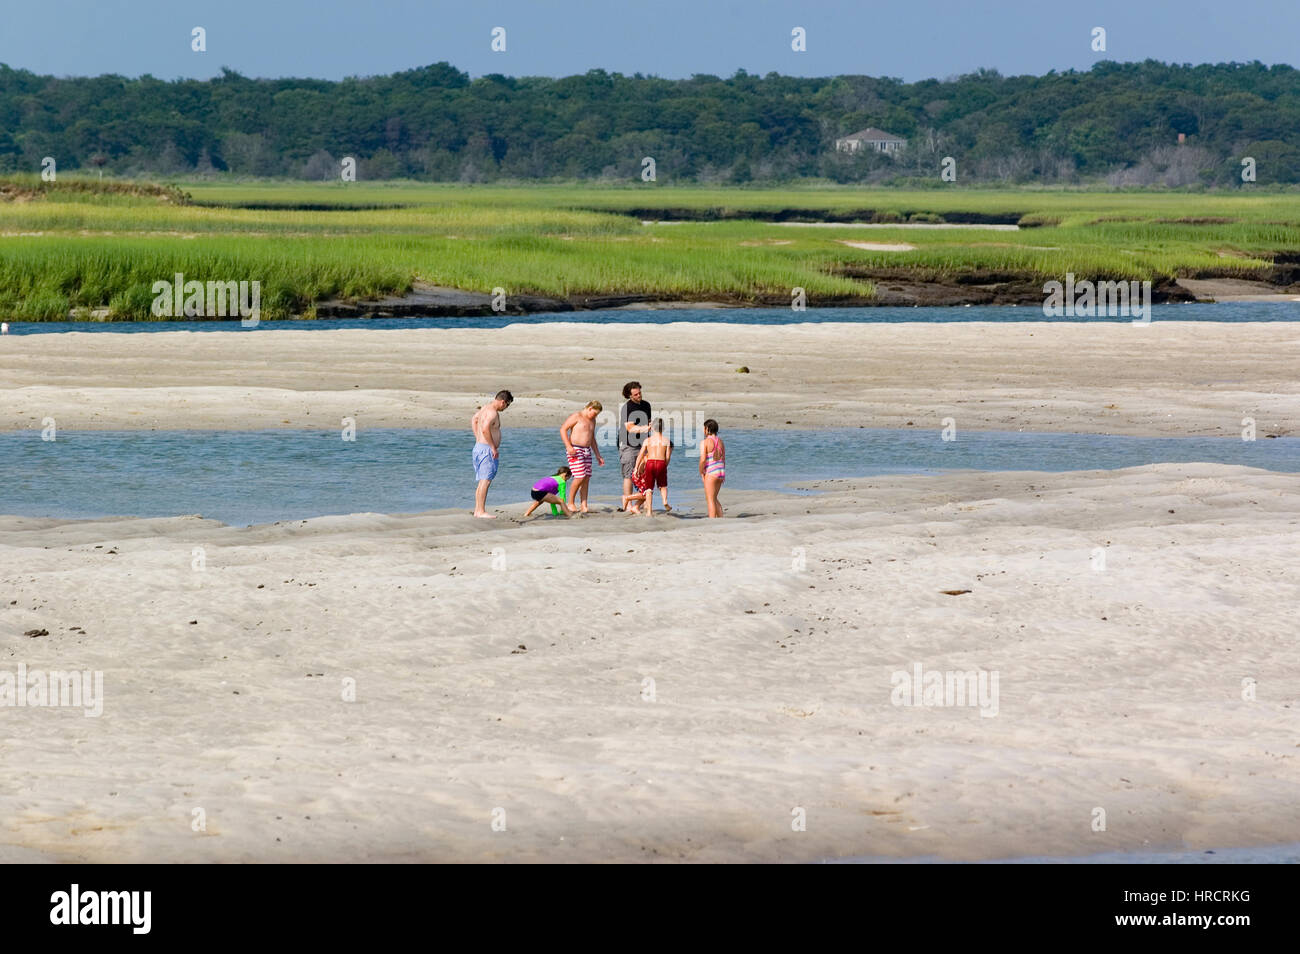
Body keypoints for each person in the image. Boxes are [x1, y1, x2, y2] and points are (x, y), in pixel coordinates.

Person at [470, 390, 512, 518]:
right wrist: (493, 447)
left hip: (479, 447)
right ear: (502, 402)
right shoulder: (492, 413)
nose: (506, 408)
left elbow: (474, 419)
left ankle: (478, 510)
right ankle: (481, 511)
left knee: (482, 480)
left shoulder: (484, 408)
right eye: (507, 405)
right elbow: (485, 428)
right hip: (486, 450)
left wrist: (478, 438)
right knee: (485, 480)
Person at [560, 400, 605, 513]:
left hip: (587, 450)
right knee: (579, 476)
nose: (595, 416)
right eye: (594, 413)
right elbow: (563, 429)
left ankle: (584, 505)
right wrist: (568, 446)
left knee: (586, 478)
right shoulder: (577, 416)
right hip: (575, 449)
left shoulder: (592, 420)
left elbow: (592, 438)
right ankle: (570, 503)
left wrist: (598, 455)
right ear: (589, 408)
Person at [617, 382, 652, 510]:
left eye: (640, 393)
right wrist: (644, 428)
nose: (639, 395)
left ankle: (641, 502)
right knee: (629, 474)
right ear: (629, 396)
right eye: (636, 394)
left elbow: (649, 423)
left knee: (643, 472)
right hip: (628, 444)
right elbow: (630, 428)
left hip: (643, 444)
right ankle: (628, 504)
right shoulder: (627, 407)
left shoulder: (646, 405)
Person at [635, 418, 673, 515]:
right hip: (661, 463)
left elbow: (640, 455)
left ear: (652, 428)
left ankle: (649, 511)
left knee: (649, 489)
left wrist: (636, 467)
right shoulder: (666, 441)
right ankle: (664, 501)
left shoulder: (647, 440)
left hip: (650, 463)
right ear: (663, 428)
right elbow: (668, 457)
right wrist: (665, 466)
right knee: (663, 485)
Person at [699, 418, 725, 518]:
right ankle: (721, 518)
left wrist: (701, 471)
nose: (703, 431)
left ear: (707, 429)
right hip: (720, 472)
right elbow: (723, 459)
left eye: (703, 428)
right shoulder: (721, 442)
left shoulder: (705, 442)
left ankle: (711, 520)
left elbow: (702, 460)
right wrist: (723, 475)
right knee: (714, 498)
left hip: (711, 472)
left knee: (710, 499)